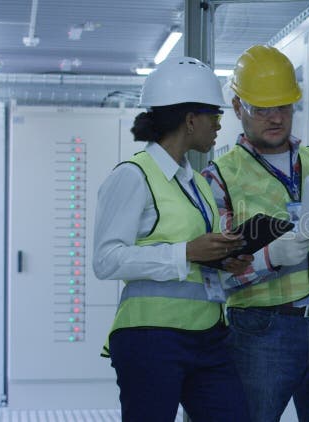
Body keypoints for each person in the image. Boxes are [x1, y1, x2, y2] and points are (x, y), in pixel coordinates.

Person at [202, 44, 309, 421]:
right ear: (237, 108)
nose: (275, 118)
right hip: (262, 330)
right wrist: (270, 258)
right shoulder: (220, 178)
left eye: (283, 106)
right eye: (261, 109)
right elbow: (214, 276)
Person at [93, 57, 251, 421]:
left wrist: (223, 259)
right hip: (151, 339)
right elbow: (106, 260)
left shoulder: (196, 182)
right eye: (213, 114)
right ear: (190, 119)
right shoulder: (133, 176)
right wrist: (186, 252)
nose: (218, 123)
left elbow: (194, 258)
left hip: (208, 335)